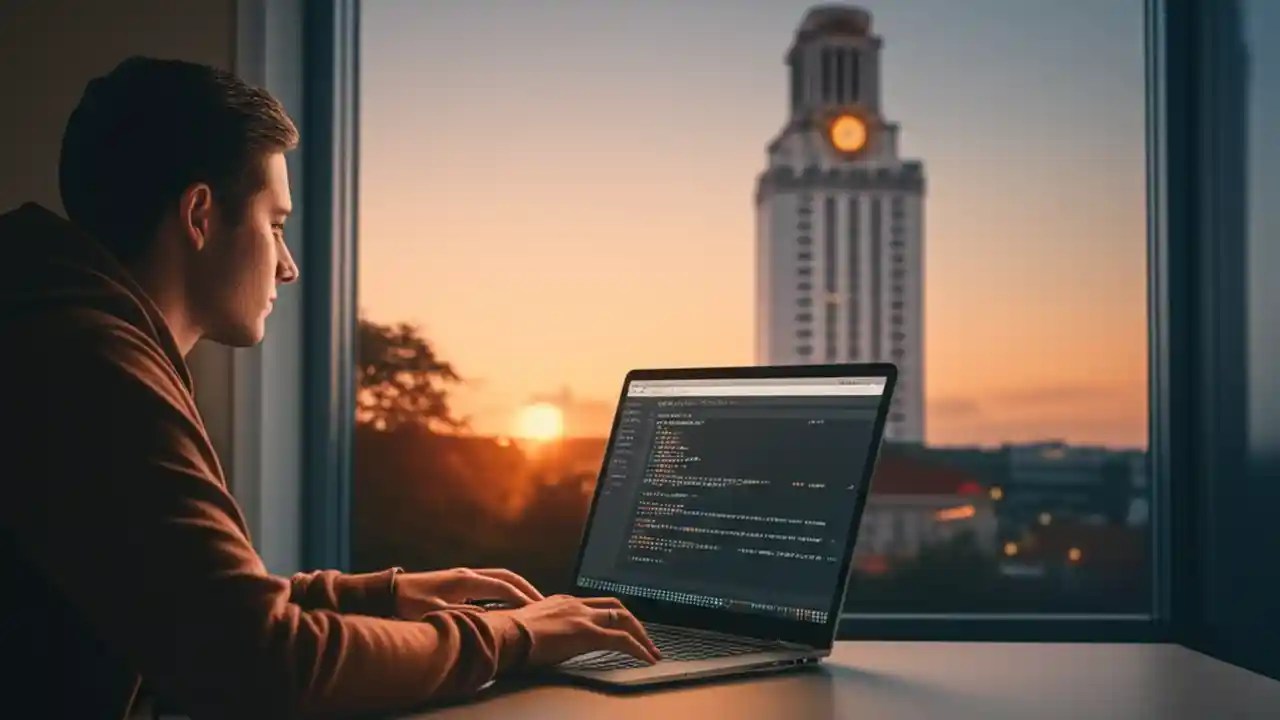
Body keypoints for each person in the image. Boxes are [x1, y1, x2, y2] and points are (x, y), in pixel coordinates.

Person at [0, 56, 659, 720]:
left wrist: (382, 597)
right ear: (200, 216)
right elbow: (259, 661)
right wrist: (510, 635)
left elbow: (192, 606)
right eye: (276, 224)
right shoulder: (88, 364)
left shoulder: (58, 327)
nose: (287, 268)